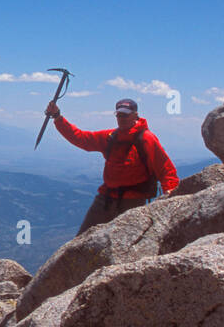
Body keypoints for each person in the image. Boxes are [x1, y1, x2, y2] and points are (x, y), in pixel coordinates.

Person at [45, 97, 180, 235]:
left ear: (135, 115)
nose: (122, 118)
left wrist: (171, 193)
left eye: (126, 114)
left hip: (133, 201)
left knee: (126, 242)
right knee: (82, 239)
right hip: (106, 197)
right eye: (119, 115)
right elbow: (82, 138)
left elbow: (165, 168)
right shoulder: (111, 137)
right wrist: (57, 117)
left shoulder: (146, 138)